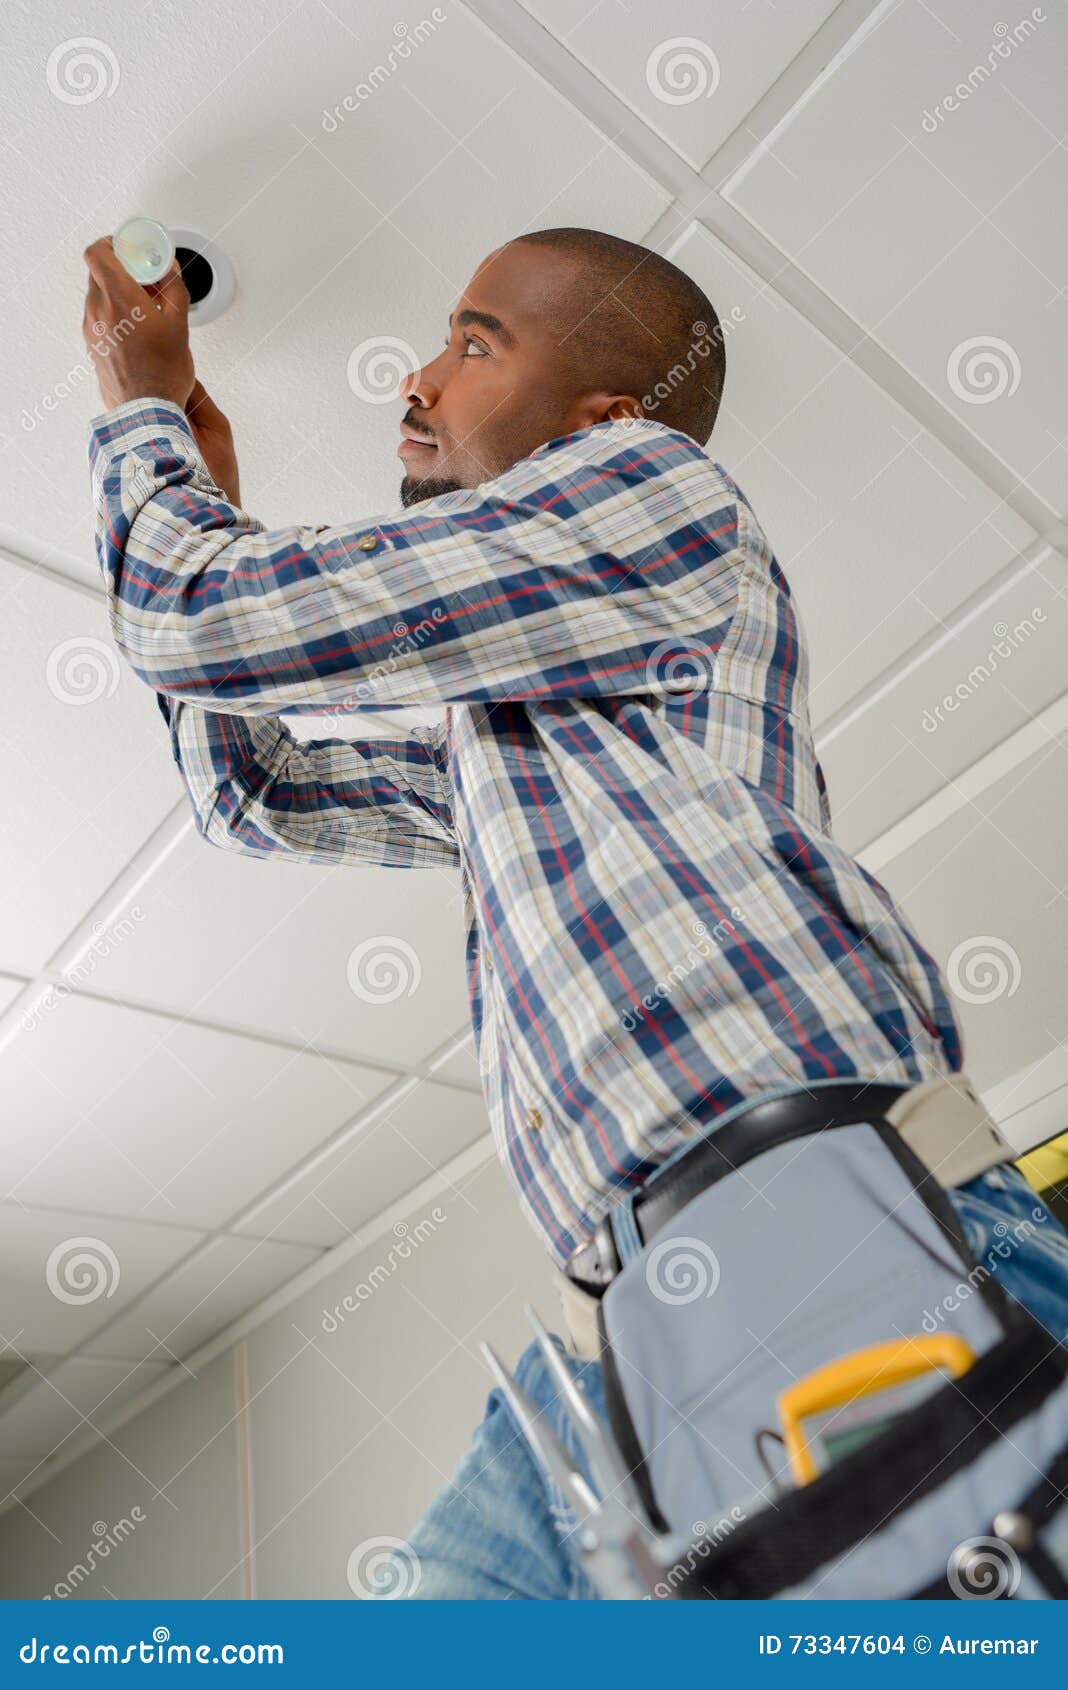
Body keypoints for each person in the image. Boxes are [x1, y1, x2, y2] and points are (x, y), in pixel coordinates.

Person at [83, 226, 1068, 1600]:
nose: (415, 381)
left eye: (472, 341)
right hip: (614, 1344)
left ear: (605, 420)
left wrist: (140, 417)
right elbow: (254, 790)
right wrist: (202, 502)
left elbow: (190, 613)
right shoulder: (519, 731)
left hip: (828, 1212)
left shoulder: (660, 492)